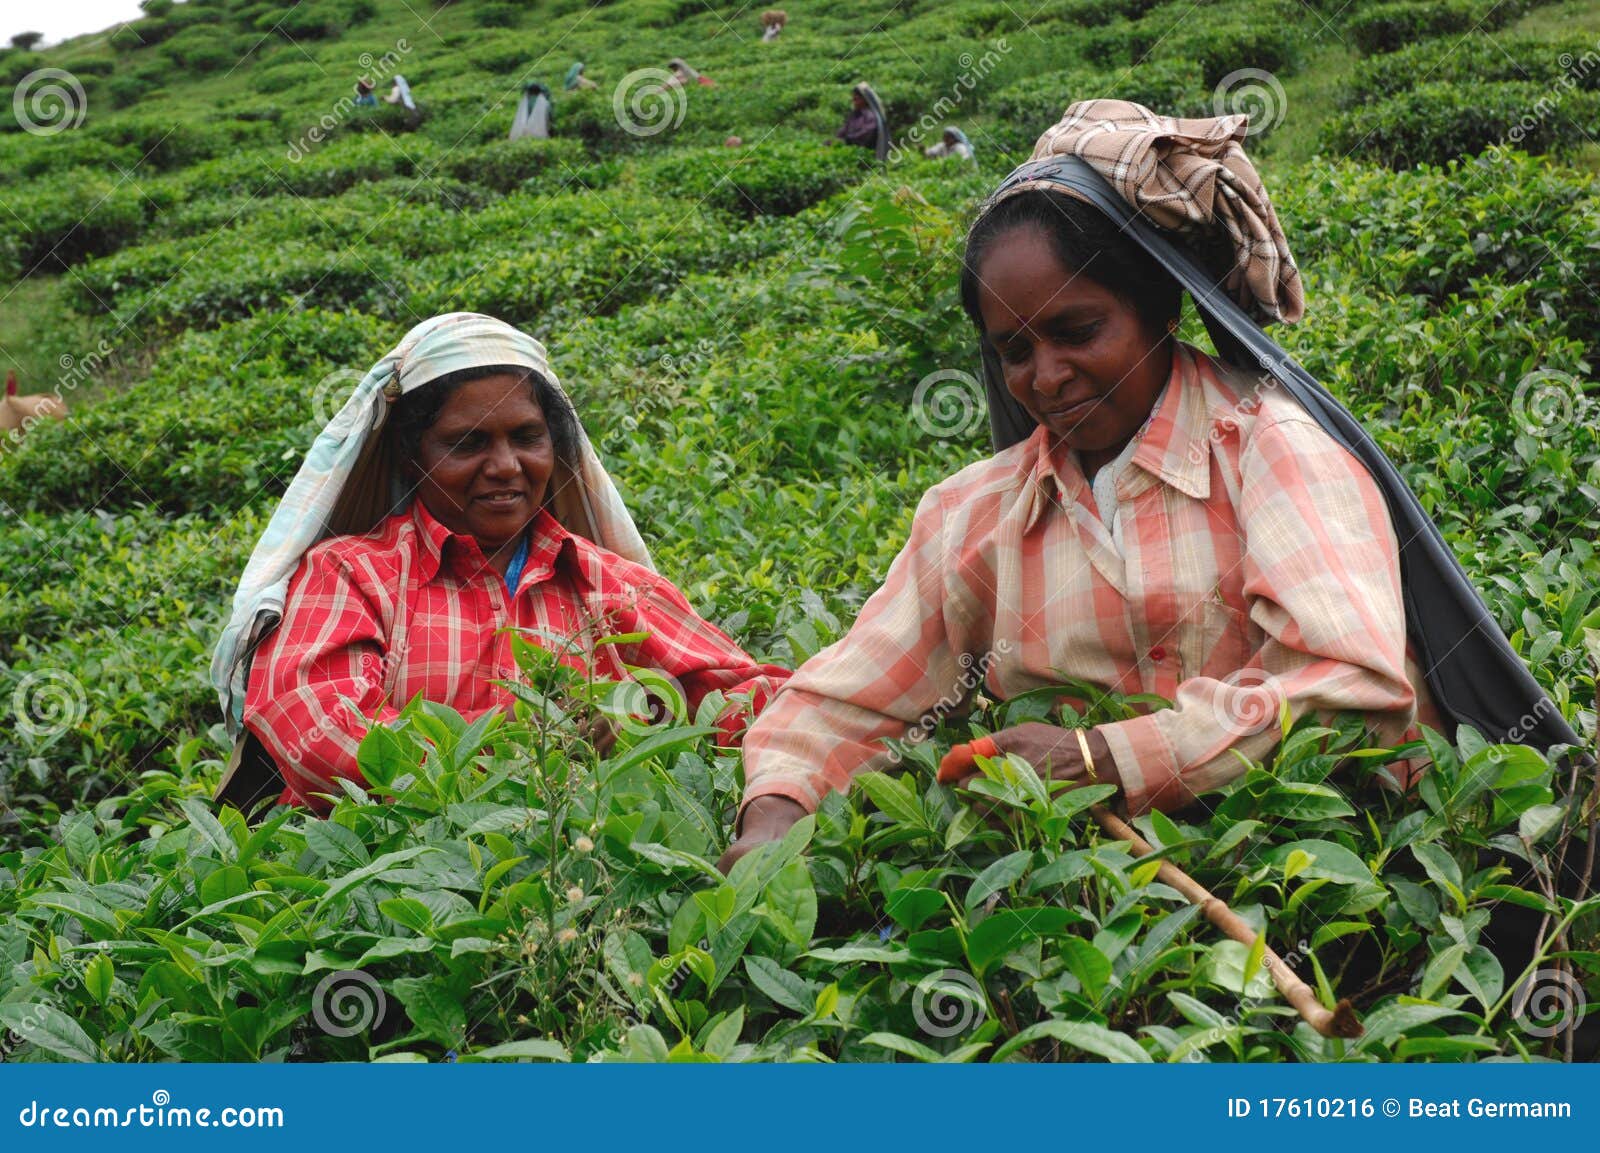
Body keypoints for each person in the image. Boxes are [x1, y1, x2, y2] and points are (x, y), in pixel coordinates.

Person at [720, 100, 1578, 871]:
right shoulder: (975, 513)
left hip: (1337, 869)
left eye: (1076, 330)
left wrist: (1103, 760)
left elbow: (1351, 692)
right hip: (1108, 899)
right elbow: (845, 697)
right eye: (1014, 351)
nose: (1045, 376)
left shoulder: (1269, 451)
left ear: (1159, 307)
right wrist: (773, 817)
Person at [211, 313, 788, 812]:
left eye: (527, 437)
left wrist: (648, 718)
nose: (506, 466)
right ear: (415, 458)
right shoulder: (352, 574)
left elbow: (749, 699)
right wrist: (521, 756)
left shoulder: (606, 582)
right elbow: (316, 732)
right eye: (469, 444)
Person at [832, 82, 888, 162]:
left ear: (864, 99)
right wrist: (836, 140)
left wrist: (847, 140)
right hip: (850, 152)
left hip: (866, 156)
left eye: (856, 99)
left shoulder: (870, 116)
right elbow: (844, 130)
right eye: (853, 99)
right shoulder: (854, 115)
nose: (854, 102)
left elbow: (865, 134)